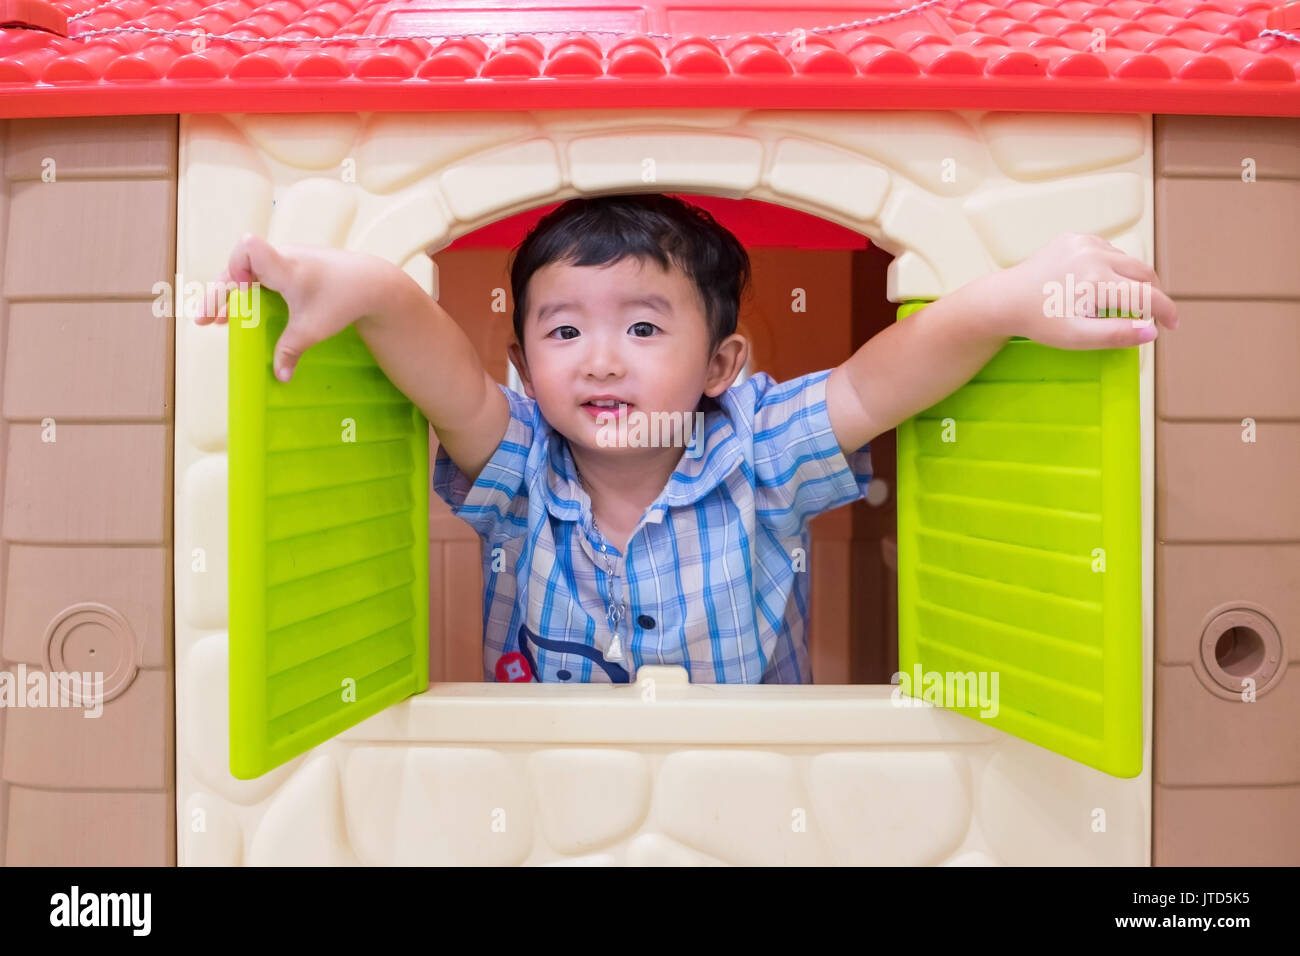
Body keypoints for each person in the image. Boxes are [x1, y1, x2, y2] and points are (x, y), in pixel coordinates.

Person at [197, 193, 1176, 684]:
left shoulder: (756, 451)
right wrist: (367, 290)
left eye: (645, 325)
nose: (600, 359)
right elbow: (444, 373)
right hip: (547, 808)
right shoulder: (519, 462)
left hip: (742, 802)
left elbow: (880, 378)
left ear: (720, 364)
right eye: (563, 329)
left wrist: (1005, 300)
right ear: (528, 358)